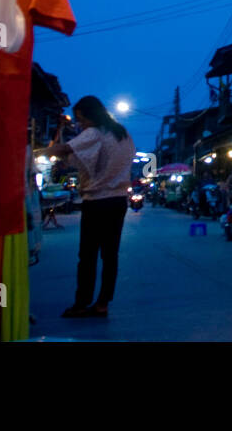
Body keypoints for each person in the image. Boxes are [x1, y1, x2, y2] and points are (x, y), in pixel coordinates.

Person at [35, 96, 137, 319]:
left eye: (81, 119)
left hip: (97, 201)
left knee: (88, 255)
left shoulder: (95, 133)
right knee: (110, 255)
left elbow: (65, 149)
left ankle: (81, 303)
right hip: (118, 201)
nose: (81, 125)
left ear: (91, 115)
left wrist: (35, 153)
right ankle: (102, 304)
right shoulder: (122, 133)